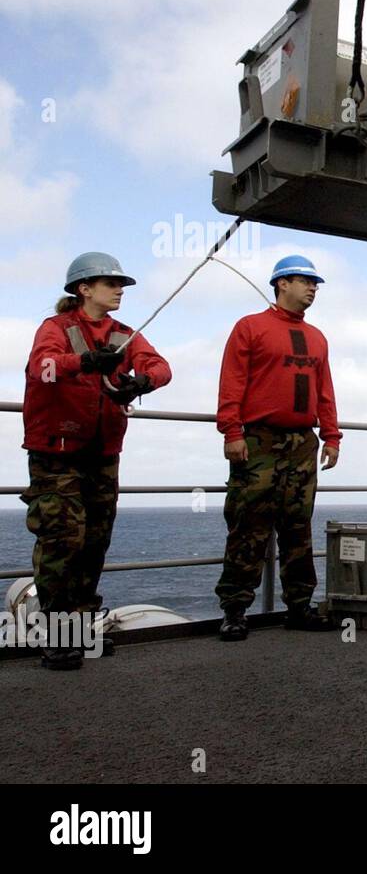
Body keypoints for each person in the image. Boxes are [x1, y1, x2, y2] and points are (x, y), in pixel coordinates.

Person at [21, 252, 172, 669]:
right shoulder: (55, 329)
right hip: (57, 453)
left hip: (102, 453)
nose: (120, 289)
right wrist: (85, 362)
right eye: (110, 282)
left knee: (94, 541)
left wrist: (141, 381)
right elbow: (42, 369)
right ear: (84, 289)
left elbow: (161, 366)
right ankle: (56, 634)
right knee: (60, 540)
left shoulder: (124, 334)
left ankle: (80, 628)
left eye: (120, 283)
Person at [214, 255, 341, 640]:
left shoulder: (318, 337)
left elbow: (325, 390)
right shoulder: (250, 327)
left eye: (316, 283)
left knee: (297, 527)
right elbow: (232, 382)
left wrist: (332, 436)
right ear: (281, 283)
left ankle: (299, 607)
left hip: (303, 441)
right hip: (258, 440)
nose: (313, 288)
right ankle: (235, 610)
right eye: (305, 281)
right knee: (248, 525)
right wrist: (231, 431)